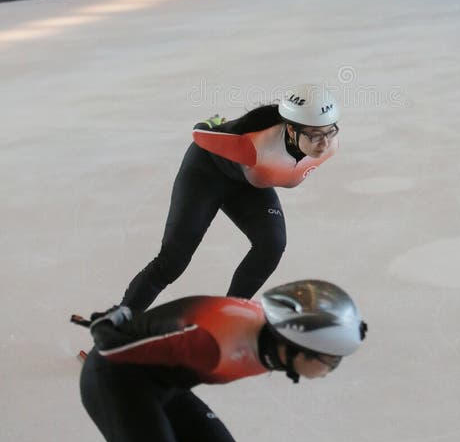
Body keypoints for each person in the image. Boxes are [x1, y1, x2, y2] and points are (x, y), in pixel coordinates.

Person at [78, 279, 366, 442]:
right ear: (299, 349)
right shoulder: (215, 342)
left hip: (159, 385)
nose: (332, 369)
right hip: (113, 384)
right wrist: (108, 324)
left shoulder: (268, 337)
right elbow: (111, 349)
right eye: (332, 360)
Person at [120, 85, 340, 311]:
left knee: (272, 245)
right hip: (207, 174)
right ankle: (118, 321)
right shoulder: (258, 146)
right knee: (173, 260)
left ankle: (228, 313)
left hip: (247, 183)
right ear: (292, 130)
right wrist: (211, 124)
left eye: (330, 131)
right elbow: (200, 134)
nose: (324, 143)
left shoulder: (330, 146)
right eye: (315, 135)